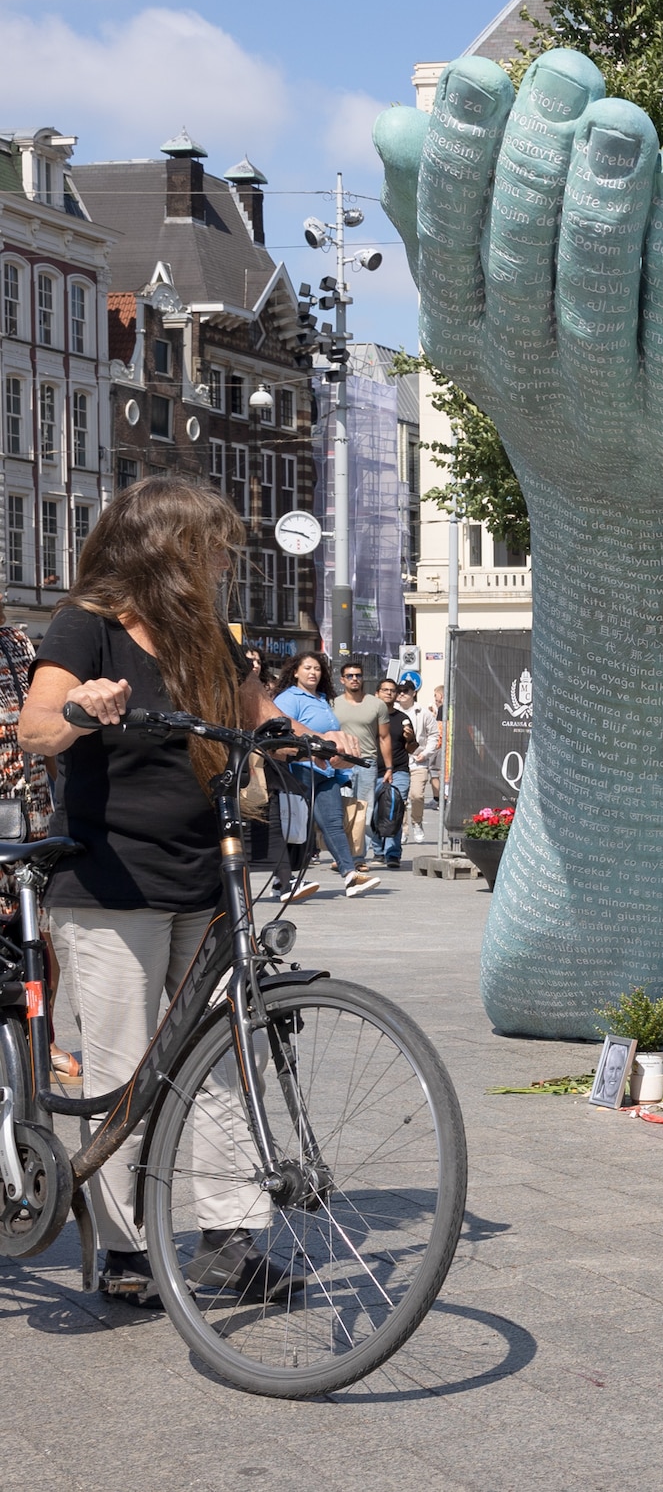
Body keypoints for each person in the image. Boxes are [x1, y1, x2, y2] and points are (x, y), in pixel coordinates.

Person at [20, 475, 311, 1306]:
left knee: (224, 1059)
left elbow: (264, 720)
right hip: (112, 880)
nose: (223, 560)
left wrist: (309, 744)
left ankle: (229, 1239)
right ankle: (124, 1249)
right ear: (168, 548)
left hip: (205, 873)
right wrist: (81, 704)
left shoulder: (205, 640)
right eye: (212, 545)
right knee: (124, 1067)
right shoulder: (90, 626)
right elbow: (36, 727)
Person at [271, 653, 374, 901]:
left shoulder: (322, 700)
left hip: (327, 772)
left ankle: (350, 874)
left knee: (333, 824)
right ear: (295, 672)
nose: (313, 673)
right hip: (300, 771)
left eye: (317, 669)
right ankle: (282, 881)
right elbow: (282, 730)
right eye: (307, 668)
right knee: (296, 825)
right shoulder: (288, 698)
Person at [329, 658, 389, 863]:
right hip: (339, 763)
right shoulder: (333, 704)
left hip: (366, 763)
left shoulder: (377, 704)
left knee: (365, 809)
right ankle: (343, 855)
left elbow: (384, 737)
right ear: (342, 680)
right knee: (341, 809)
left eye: (358, 676)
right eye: (350, 676)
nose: (354, 679)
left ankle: (358, 857)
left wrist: (389, 767)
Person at [372, 677, 417, 868]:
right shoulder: (370, 718)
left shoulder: (402, 718)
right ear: (377, 693)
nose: (389, 693)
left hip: (399, 770)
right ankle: (378, 851)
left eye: (393, 690)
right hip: (373, 770)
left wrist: (411, 738)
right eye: (385, 690)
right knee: (373, 812)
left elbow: (412, 748)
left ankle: (392, 853)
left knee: (394, 810)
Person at [402, 672, 440, 844]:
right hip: (399, 761)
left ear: (413, 693)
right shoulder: (392, 712)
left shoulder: (423, 713)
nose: (402, 694)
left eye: (406, 691)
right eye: (399, 690)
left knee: (416, 795)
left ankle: (417, 822)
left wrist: (425, 753)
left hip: (418, 760)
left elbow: (434, 734)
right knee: (400, 797)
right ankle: (402, 828)